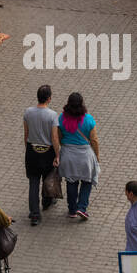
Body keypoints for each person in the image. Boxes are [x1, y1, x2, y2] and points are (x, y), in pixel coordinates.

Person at [57, 92, 100, 221]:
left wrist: (63, 147)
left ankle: (72, 209)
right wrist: (97, 155)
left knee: (71, 181)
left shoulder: (61, 118)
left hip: (68, 155)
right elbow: (94, 140)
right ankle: (82, 207)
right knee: (87, 181)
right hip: (84, 156)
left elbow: (59, 137)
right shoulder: (88, 119)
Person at [23, 84, 60, 225]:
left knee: (33, 182)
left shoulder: (28, 112)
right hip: (47, 152)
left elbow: (26, 134)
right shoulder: (52, 116)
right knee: (47, 178)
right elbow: (54, 138)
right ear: (49, 98)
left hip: (32, 151)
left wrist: (28, 149)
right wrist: (57, 155)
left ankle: (34, 214)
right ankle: (46, 201)